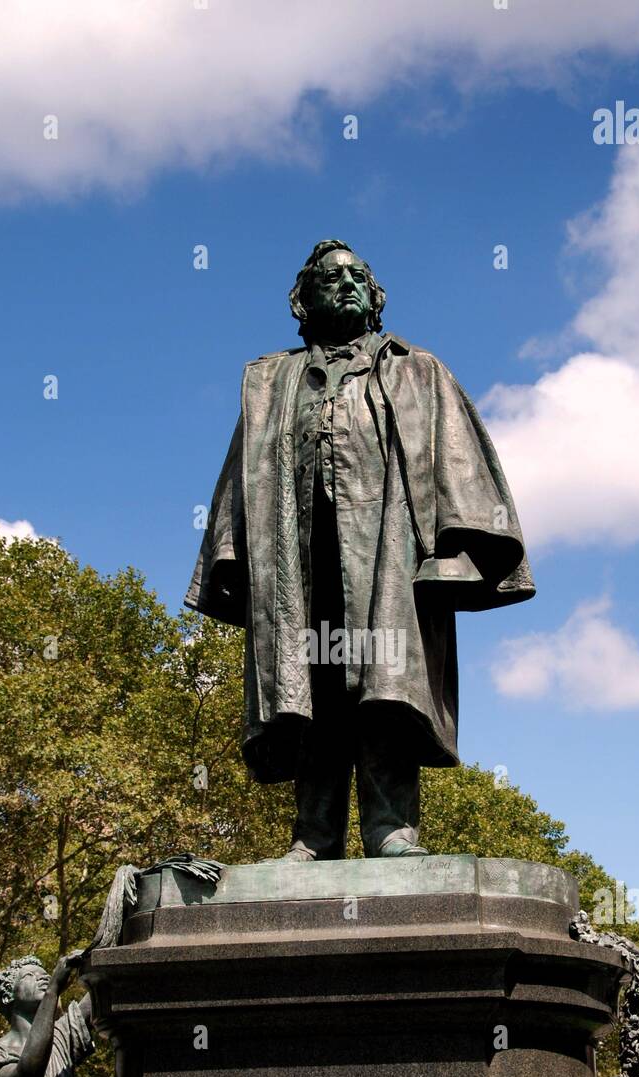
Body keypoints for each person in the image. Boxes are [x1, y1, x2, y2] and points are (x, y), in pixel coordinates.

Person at [186, 239, 534, 860]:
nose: (344, 286)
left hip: (388, 556)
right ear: (302, 301)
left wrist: (455, 548)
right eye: (328, 279)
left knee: (383, 685)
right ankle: (314, 836)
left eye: (357, 278)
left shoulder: (417, 369)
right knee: (310, 687)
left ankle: (391, 829)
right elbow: (243, 475)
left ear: (375, 298)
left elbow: (459, 463)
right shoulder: (271, 382)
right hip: (298, 558)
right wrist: (230, 556)